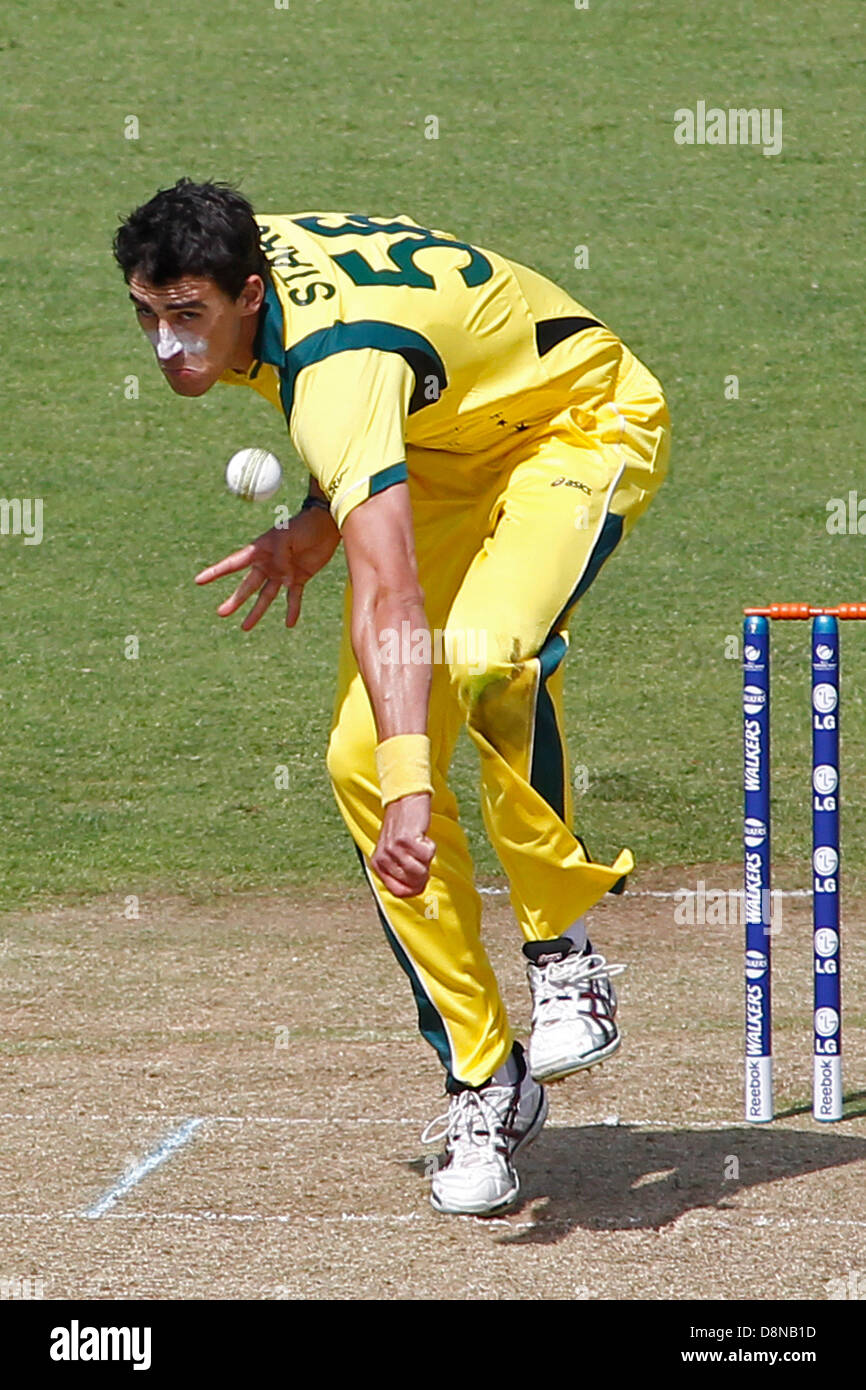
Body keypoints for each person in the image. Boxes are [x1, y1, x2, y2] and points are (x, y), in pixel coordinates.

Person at [113, 179, 670, 1216]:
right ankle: (484, 1080)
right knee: (356, 763)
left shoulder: (331, 365)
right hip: (443, 446)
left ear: (246, 289)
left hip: (571, 425)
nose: (166, 347)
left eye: (188, 318)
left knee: (488, 655)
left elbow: (390, 592)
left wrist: (419, 785)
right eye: (146, 315)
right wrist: (314, 526)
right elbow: (391, 390)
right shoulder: (241, 265)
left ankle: (563, 949)